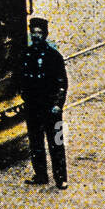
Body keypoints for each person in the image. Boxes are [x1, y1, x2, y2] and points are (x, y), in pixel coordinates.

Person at [19, 17, 68, 189]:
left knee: (57, 143)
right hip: (33, 108)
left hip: (51, 109)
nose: (36, 36)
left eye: (40, 33)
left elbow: (62, 83)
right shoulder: (26, 55)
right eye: (34, 33)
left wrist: (57, 104)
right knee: (36, 144)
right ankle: (40, 175)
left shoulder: (54, 56)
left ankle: (61, 178)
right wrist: (25, 97)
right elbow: (21, 80)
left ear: (45, 35)